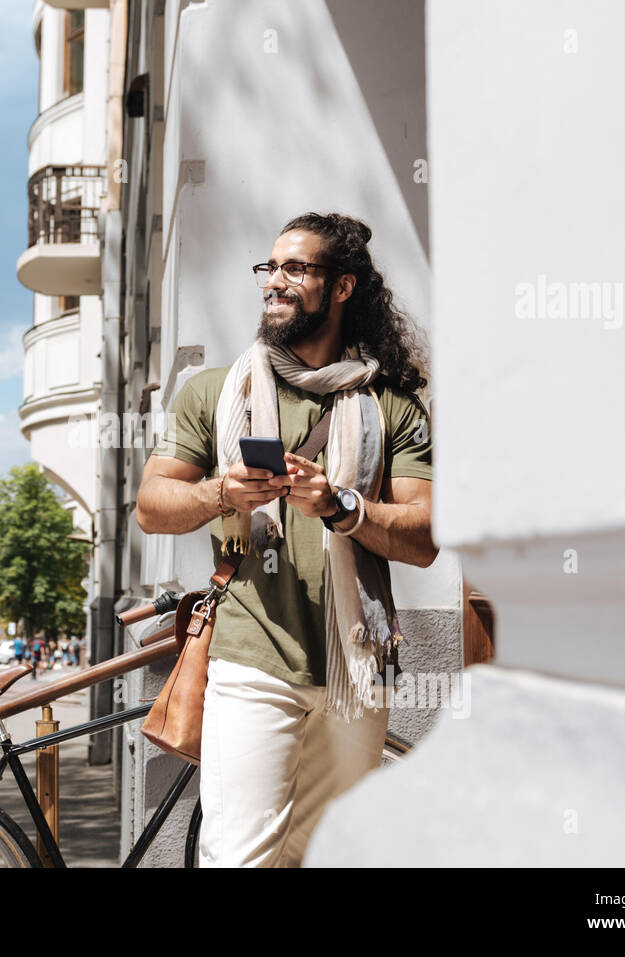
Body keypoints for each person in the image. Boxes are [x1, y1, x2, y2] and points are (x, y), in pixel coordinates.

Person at [136, 212, 436, 868]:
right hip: (253, 658)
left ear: (342, 287)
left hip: (357, 667)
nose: (274, 280)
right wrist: (222, 492)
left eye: (295, 268)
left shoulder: (391, 406)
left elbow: (426, 536)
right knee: (238, 858)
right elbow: (151, 507)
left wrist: (341, 506)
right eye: (269, 267)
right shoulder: (216, 392)